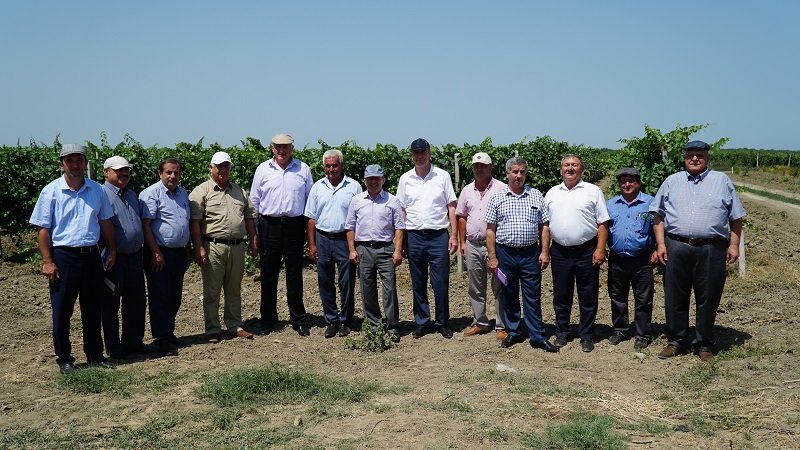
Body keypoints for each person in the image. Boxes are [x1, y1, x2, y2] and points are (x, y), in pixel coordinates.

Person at [651, 140, 745, 361]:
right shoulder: (671, 181)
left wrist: (733, 244)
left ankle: (704, 344)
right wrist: (661, 244)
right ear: (684, 158)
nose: (694, 159)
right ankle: (677, 341)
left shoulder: (721, 181)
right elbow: (658, 215)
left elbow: (736, 217)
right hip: (677, 246)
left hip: (712, 248)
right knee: (675, 296)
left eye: (699, 155)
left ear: (707, 158)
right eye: (690, 155)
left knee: (708, 296)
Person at [29, 144, 116, 373]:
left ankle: (95, 356)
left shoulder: (96, 190)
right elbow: (44, 230)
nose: (75, 165)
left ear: (86, 163)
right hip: (64, 256)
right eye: (70, 161)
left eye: (79, 160)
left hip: (91, 256)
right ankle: (65, 359)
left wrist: (112, 251)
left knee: (92, 309)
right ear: (61, 165)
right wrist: (48, 261)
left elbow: (105, 222)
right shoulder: (51, 191)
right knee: (62, 311)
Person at [484, 157, 559, 352]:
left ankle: (537, 336)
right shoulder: (497, 198)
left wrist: (544, 251)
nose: (518, 176)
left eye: (522, 172)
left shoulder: (536, 196)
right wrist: (493, 257)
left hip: (529, 254)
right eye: (515, 172)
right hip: (505, 253)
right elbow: (490, 231)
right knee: (509, 295)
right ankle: (514, 332)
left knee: (532, 296)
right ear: (507, 174)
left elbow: (544, 227)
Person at [189, 151, 258, 343]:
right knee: (212, 291)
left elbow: (249, 217)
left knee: (234, 289)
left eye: (226, 166)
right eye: (219, 166)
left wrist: (253, 239)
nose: (223, 170)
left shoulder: (239, 191)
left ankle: (235, 325)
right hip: (213, 246)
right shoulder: (201, 191)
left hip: (237, 246)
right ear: (211, 168)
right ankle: (212, 329)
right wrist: (198, 247)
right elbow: (195, 222)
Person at [544, 154, 610, 352]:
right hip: (560, 252)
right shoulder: (552, 193)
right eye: (566, 165)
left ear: (581, 170)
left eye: (574, 165)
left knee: (587, 295)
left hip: (586, 250)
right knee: (561, 295)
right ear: (561, 169)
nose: (570, 168)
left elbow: (603, 222)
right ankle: (562, 332)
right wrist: (545, 251)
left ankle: (586, 335)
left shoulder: (593, 191)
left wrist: (600, 249)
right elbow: (545, 225)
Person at [250, 133, 313, 336]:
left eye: (286, 147)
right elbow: (254, 202)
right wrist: (256, 233)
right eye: (278, 146)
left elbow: (309, 201)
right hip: (269, 224)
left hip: (294, 225)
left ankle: (298, 318)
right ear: (272, 148)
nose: (282, 150)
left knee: (294, 272)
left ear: (292, 148)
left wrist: (306, 230)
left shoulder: (303, 169)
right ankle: (268, 319)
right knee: (268, 273)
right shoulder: (262, 169)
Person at [396, 138, 458, 339]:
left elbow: (451, 206)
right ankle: (422, 321)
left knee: (440, 281)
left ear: (429, 153)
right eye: (416, 153)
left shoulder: (442, 176)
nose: (420, 156)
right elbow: (402, 210)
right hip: (414, 236)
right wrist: (402, 240)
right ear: (412, 155)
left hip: (438, 235)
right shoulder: (405, 179)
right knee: (418, 281)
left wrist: (454, 235)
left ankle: (442, 322)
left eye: (423, 152)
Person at [304, 149, 362, 338]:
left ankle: (345, 320)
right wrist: (312, 244)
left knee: (346, 282)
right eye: (328, 166)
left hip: (345, 239)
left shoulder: (353, 186)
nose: (331, 169)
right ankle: (331, 320)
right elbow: (311, 218)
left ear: (341, 165)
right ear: (324, 167)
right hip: (323, 238)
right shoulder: (317, 187)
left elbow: (358, 216)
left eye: (335, 165)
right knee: (325, 281)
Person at [345, 164, 405, 342]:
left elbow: (399, 227)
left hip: (386, 248)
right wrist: (352, 249)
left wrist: (397, 250)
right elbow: (350, 227)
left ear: (383, 180)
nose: (373, 182)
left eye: (376, 179)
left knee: (390, 288)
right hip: (363, 248)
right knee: (367, 288)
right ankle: (374, 325)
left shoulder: (392, 200)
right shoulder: (356, 201)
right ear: (364, 181)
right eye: (370, 179)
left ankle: (392, 325)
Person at [140, 157, 191, 356]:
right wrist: (155, 252)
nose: (172, 176)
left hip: (178, 253)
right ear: (160, 173)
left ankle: (168, 332)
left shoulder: (182, 193)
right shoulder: (151, 194)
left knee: (174, 296)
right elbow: (146, 225)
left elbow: (184, 222)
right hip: (160, 252)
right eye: (168, 172)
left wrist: (187, 248)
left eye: (176, 172)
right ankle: (160, 340)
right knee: (159, 296)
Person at [100, 155, 148, 359]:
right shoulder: (101, 194)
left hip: (134, 257)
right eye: (118, 170)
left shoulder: (131, 195)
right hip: (114, 258)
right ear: (106, 172)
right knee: (111, 304)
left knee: (136, 300)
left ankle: (133, 342)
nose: (123, 173)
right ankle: (114, 346)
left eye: (126, 170)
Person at [456, 152, 508, 340]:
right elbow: (462, 216)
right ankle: (481, 322)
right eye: (476, 166)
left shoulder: (502, 188)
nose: (479, 169)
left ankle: (501, 325)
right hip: (472, 244)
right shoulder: (467, 190)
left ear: (490, 167)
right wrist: (462, 242)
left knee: (499, 286)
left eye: (483, 165)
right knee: (475, 286)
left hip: (495, 246)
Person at [606, 167, 656, 350]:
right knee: (617, 296)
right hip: (617, 258)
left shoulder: (650, 203)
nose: (626, 184)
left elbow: (659, 227)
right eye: (623, 181)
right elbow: (603, 228)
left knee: (643, 298)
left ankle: (642, 334)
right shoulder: (611, 204)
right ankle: (620, 329)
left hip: (642, 259)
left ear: (638, 183)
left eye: (631, 181)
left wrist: (657, 249)